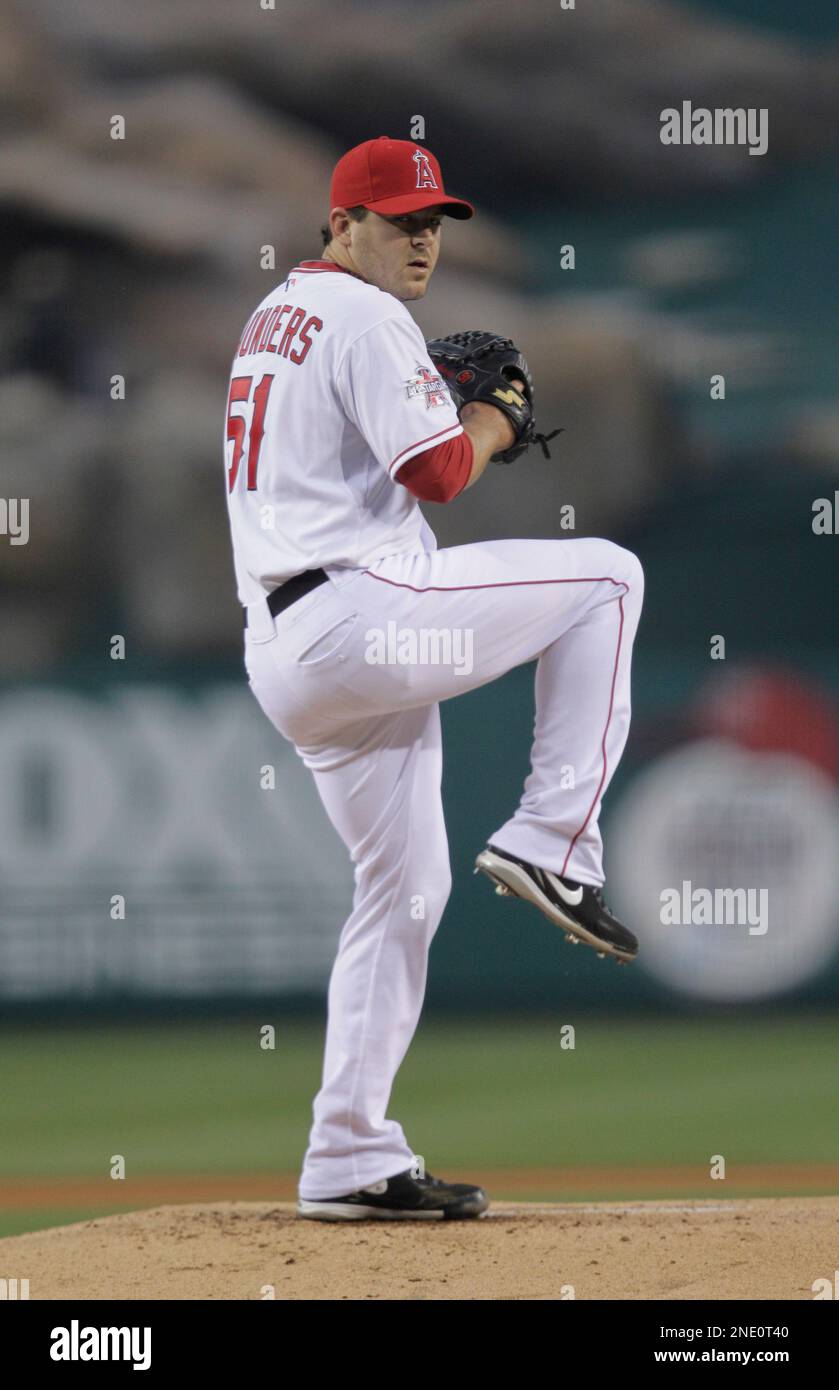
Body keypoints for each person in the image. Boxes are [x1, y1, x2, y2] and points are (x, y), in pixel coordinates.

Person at [224, 136, 644, 1221]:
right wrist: (497, 414)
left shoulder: (276, 314)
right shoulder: (365, 315)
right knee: (606, 577)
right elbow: (442, 472)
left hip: (292, 650)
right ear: (341, 222)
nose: (421, 239)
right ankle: (553, 840)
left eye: (433, 221)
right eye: (399, 218)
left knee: (403, 891)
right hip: (356, 619)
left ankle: (347, 1154)